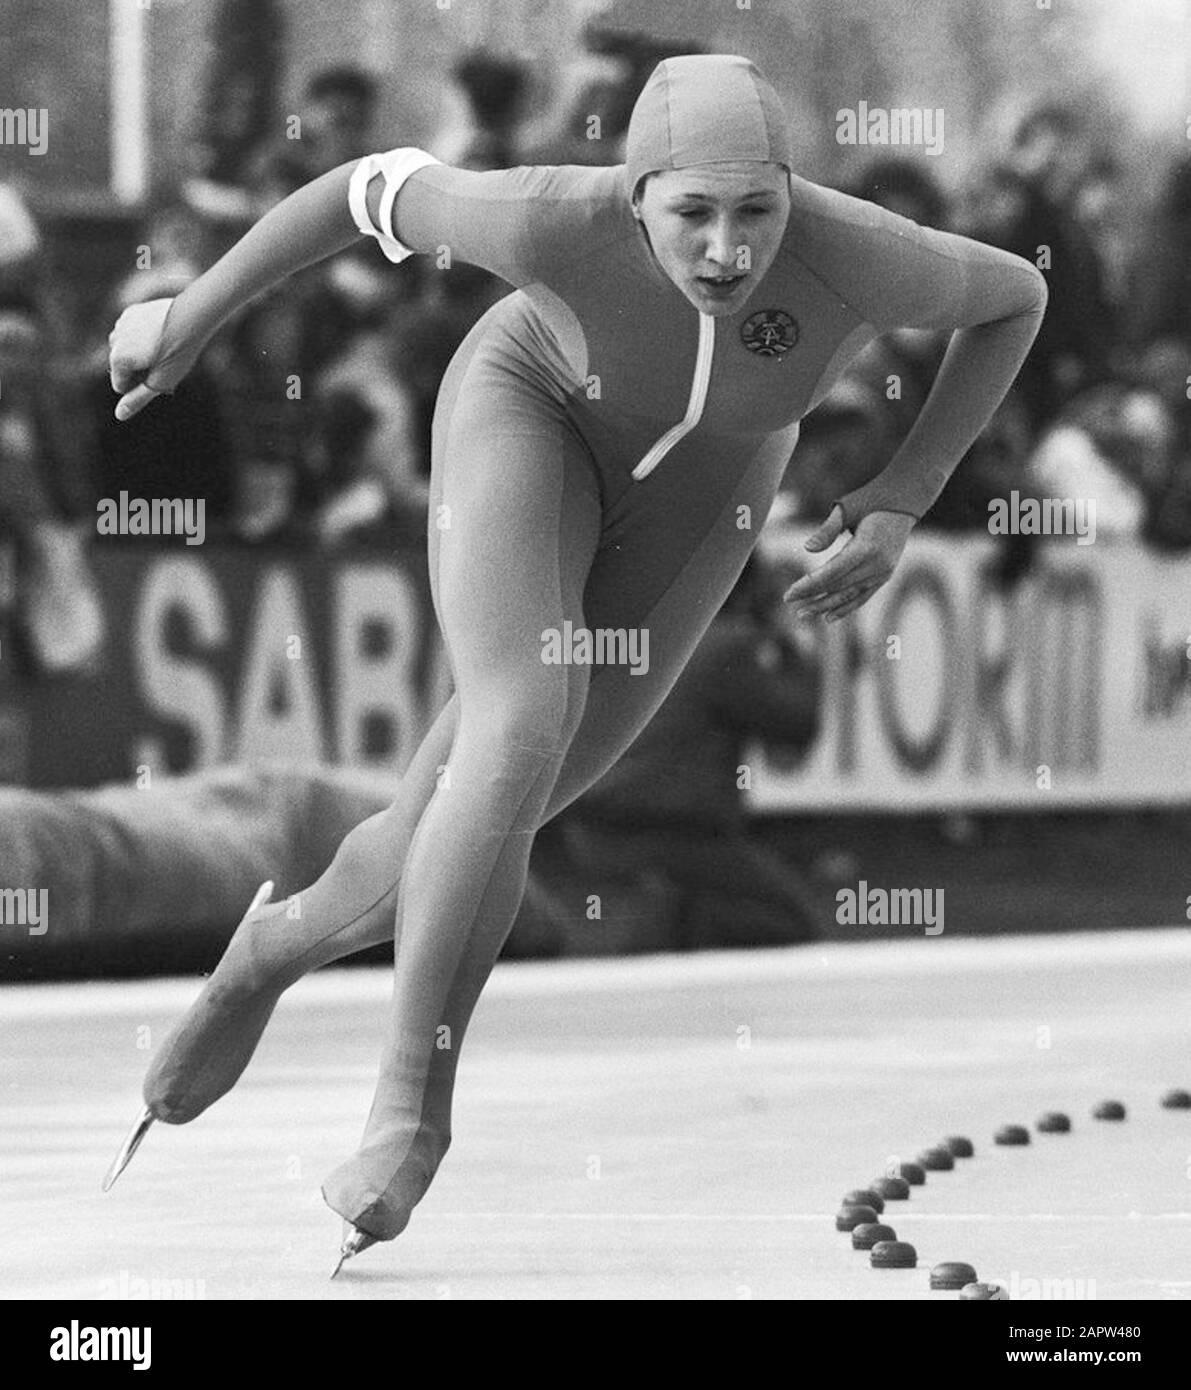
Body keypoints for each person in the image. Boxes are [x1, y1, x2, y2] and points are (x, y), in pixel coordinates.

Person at [103, 55, 1047, 1271]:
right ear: (636, 190)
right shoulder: (549, 214)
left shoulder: (860, 250)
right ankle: (409, 1111)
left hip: (716, 492)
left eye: (757, 213)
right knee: (521, 717)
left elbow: (1014, 298)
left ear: (792, 199)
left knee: (491, 809)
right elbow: (353, 191)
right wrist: (186, 321)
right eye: (690, 214)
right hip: (529, 411)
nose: (725, 251)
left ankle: (268, 951)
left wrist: (904, 495)